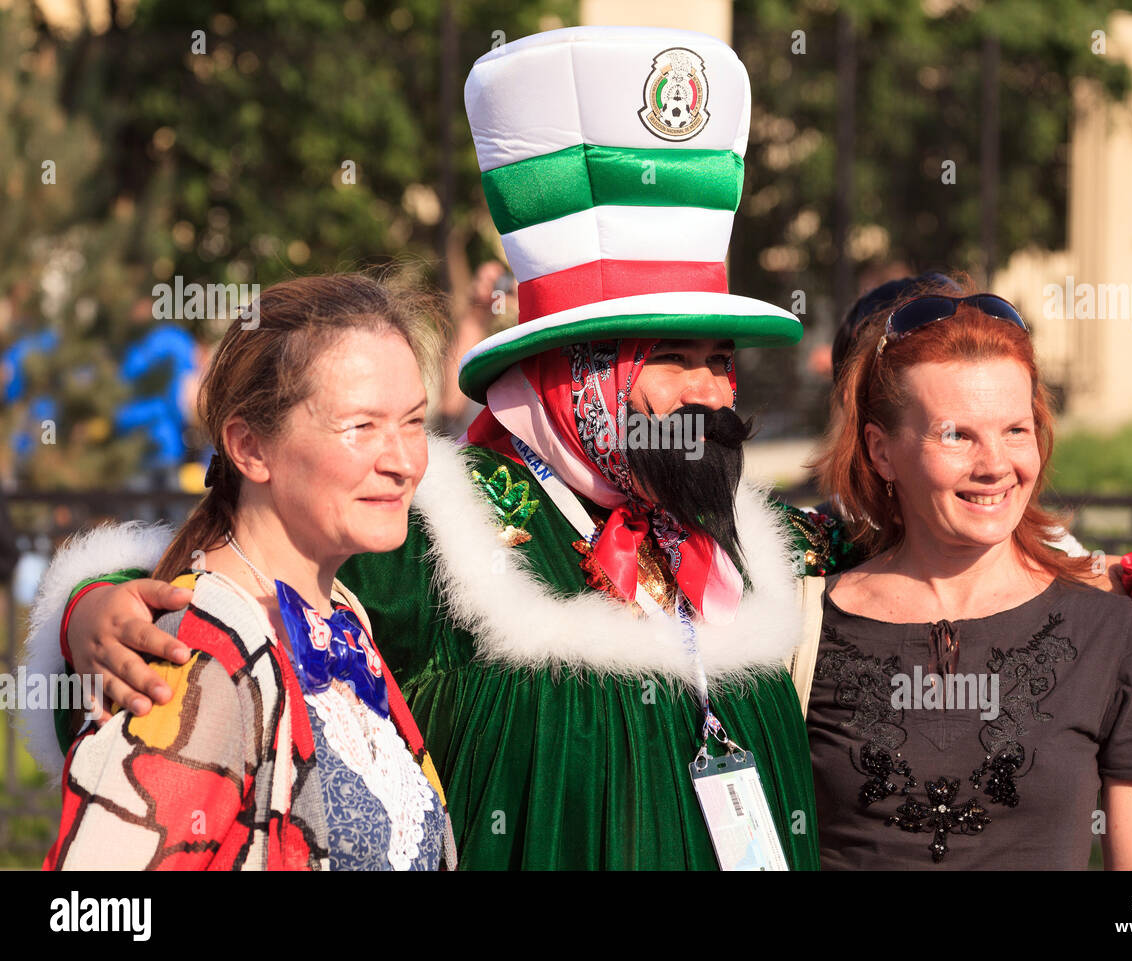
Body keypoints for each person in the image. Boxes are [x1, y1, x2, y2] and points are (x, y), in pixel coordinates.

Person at [22, 27, 850, 870]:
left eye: (723, 362)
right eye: (673, 360)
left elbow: (900, 537)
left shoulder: (745, 535)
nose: (711, 395)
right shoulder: (444, 525)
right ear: (577, 372)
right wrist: (95, 609)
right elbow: (225, 568)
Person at [804, 280, 1132, 868]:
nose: (996, 464)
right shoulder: (800, 627)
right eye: (956, 435)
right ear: (881, 450)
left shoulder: (1110, 633)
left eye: (1015, 430)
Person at [38, 273, 457, 870]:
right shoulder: (200, 653)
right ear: (251, 447)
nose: (404, 461)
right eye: (361, 426)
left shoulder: (342, 618)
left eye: (413, 421)